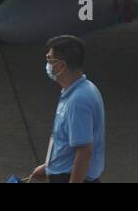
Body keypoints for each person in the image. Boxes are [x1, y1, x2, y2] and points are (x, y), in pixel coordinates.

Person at [25, 35, 105, 183]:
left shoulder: (78, 101)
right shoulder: (76, 91)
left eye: (50, 60)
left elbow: (84, 151)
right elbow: (66, 143)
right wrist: (48, 166)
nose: (47, 64)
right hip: (61, 174)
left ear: (61, 66)